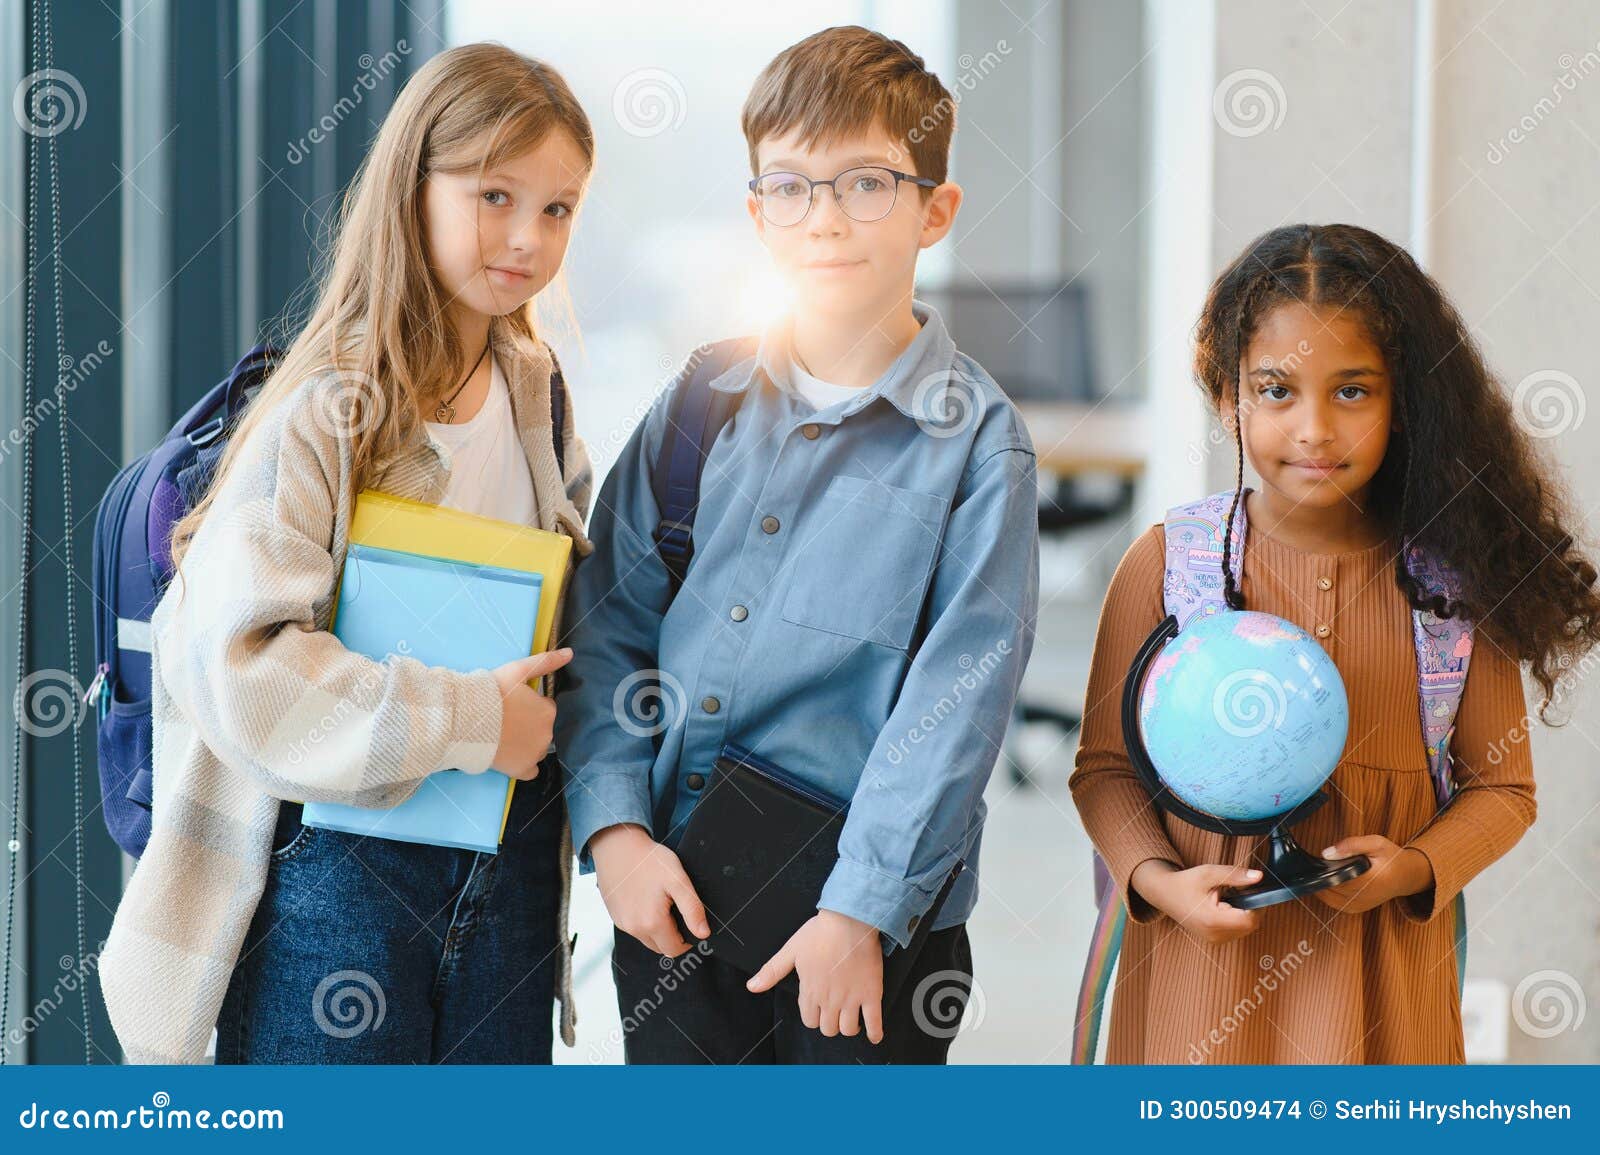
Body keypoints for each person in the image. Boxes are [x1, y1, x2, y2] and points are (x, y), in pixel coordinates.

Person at [99, 43, 596, 1064]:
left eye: (557, 208)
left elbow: (567, 608)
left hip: (502, 860)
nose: (527, 238)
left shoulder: (536, 393)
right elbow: (243, 676)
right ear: (411, 190)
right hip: (337, 872)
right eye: (494, 194)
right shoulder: (328, 411)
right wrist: (471, 718)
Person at [556, 25, 1040, 1064]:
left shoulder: (979, 445)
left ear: (934, 210)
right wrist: (616, 835)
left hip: (863, 939)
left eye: (866, 183)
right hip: (673, 902)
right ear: (756, 212)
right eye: (790, 186)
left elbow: (954, 703)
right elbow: (607, 628)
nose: (824, 219)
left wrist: (859, 912)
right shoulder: (697, 404)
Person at [1069, 222, 1600, 1063]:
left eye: (1352, 391)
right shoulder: (1170, 565)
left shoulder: (1451, 587)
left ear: (1406, 400)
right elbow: (1102, 769)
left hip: (1384, 995)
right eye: (1276, 390)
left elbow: (1504, 787)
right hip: (1195, 986)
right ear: (1227, 397)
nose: (1314, 428)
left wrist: (1412, 866)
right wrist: (1160, 881)